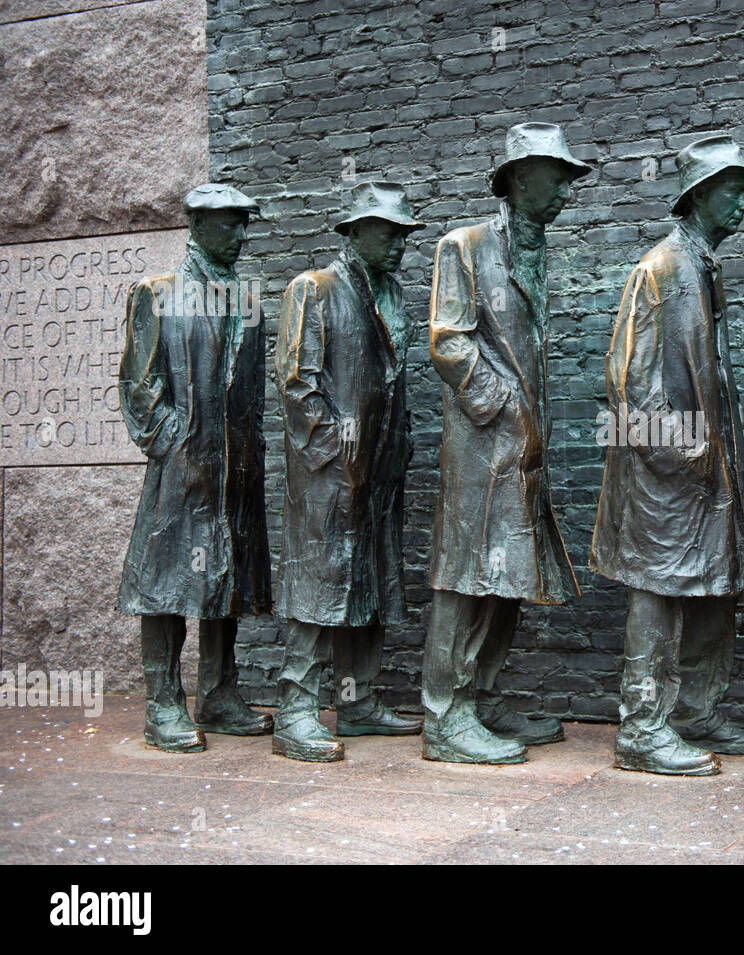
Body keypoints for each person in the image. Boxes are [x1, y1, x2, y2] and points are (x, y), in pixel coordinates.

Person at [591, 134, 744, 776]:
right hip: (669, 474)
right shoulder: (660, 270)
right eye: (735, 192)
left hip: (709, 472)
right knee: (660, 592)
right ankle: (643, 728)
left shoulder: (703, 266)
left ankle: (695, 710)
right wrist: (692, 453)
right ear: (700, 196)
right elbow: (630, 386)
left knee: (713, 590)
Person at [422, 123, 591, 764]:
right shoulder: (463, 247)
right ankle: (445, 715)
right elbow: (449, 340)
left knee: (510, 574)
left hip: (523, 448)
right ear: (520, 179)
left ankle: (483, 696)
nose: (566, 192)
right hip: (482, 445)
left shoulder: (537, 249)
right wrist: (506, 406)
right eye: (557, 177)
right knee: (468, 575)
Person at [272, 181, 426, 762]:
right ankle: (295, 711)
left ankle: (356, 704)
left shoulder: (392, 293)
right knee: (319, 586)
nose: (399, 245)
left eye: (404, 235)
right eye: (388, 233)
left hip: (380, 469)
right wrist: (339, 450)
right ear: (355, 232)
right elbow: (297, 382)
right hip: (329, 474)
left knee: (371, 584)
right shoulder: (313, 289)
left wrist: (389, 451)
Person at [117, 183, 273, 752]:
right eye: (229, 223)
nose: (239, 234)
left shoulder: (246, 297)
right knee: (165, 584)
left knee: (224, 577)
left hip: (236, 466)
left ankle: (219, 693)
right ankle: (163, 702)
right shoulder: (157, 291)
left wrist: (247, 450)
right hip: (183, 465)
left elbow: (251, 385)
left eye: (243, 223)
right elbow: (138, 383)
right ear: (197, 224)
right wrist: (171, 443)